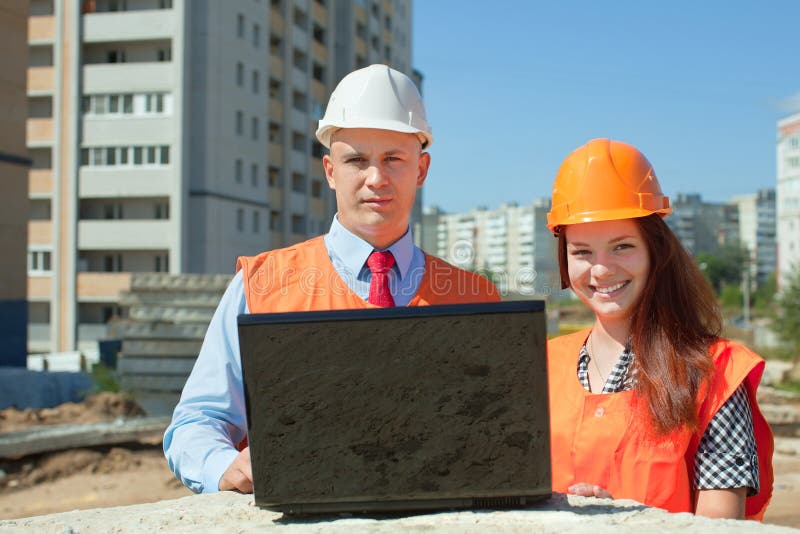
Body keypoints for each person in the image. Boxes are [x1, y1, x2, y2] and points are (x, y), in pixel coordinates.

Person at [163, 64, 500, 494]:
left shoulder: (475, 299)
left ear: (421, 169)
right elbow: (197, 419)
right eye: (356, 160)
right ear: (329, 170)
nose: (375, 179)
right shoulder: (262, 286)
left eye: (393, 159)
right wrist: (222, 466)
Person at [545, 138, 773, 520]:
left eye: (621, 246)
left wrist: (622, 521)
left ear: (656, 250)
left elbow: (718, 526)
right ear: (564, 259)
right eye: (582, 251)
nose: (601, 269)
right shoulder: (543, 365)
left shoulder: (715, 375)